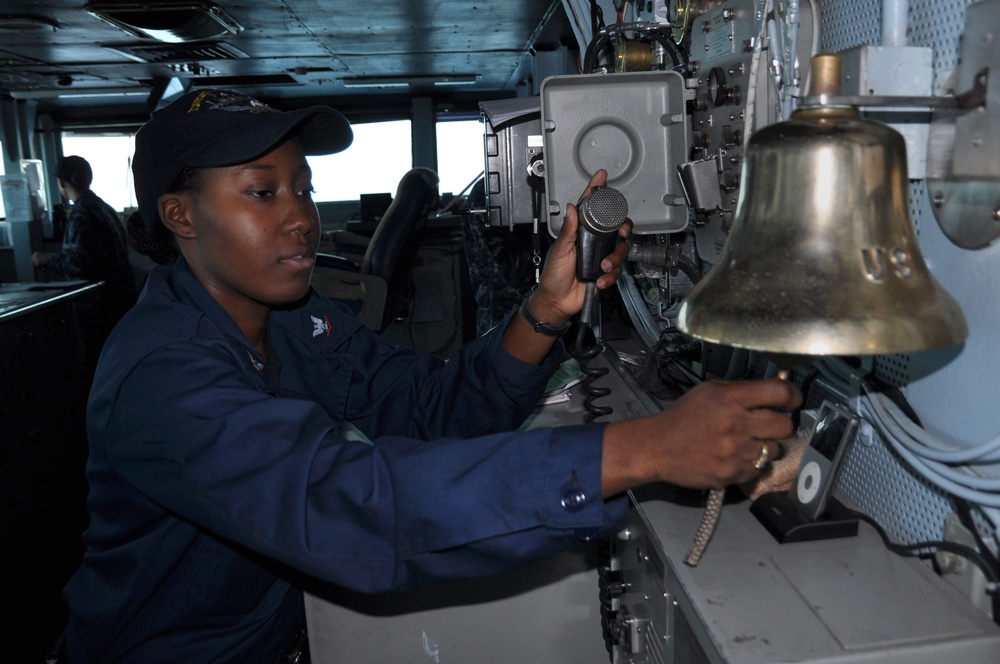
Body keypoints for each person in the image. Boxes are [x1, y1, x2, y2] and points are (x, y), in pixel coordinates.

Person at [60, 89, 801, 664]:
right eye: (263, 193)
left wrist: (544, 308)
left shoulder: (293, 320)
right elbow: (350, 506)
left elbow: (424, 405)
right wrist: (647, 451)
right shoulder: (162, 378)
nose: (302, 219)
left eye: (305, 188)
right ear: (179, 216)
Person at [32, 155, 137, 383]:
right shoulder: (103, 207)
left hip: (98, 309)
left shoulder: (81, 213)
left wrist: (45, 259)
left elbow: (83, 264)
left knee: (98, 370)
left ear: (62, 183)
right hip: (119, 303)